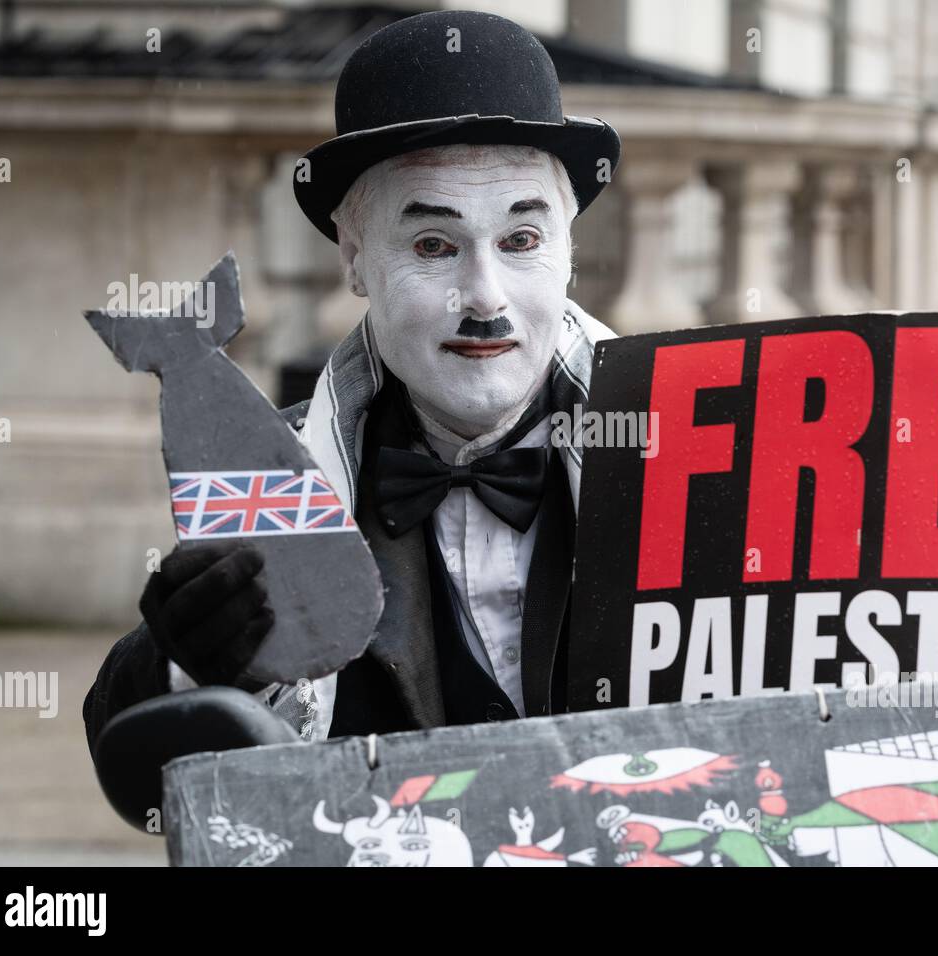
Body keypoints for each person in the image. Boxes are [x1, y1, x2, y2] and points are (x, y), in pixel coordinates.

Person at [83, 10, 621, 751]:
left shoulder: (698, 448)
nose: (485, 298)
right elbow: (132, 748)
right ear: (355, 258)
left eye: (521, 239)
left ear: (568, 249)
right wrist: (192, 663)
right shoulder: (272, 471)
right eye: (433, 245)